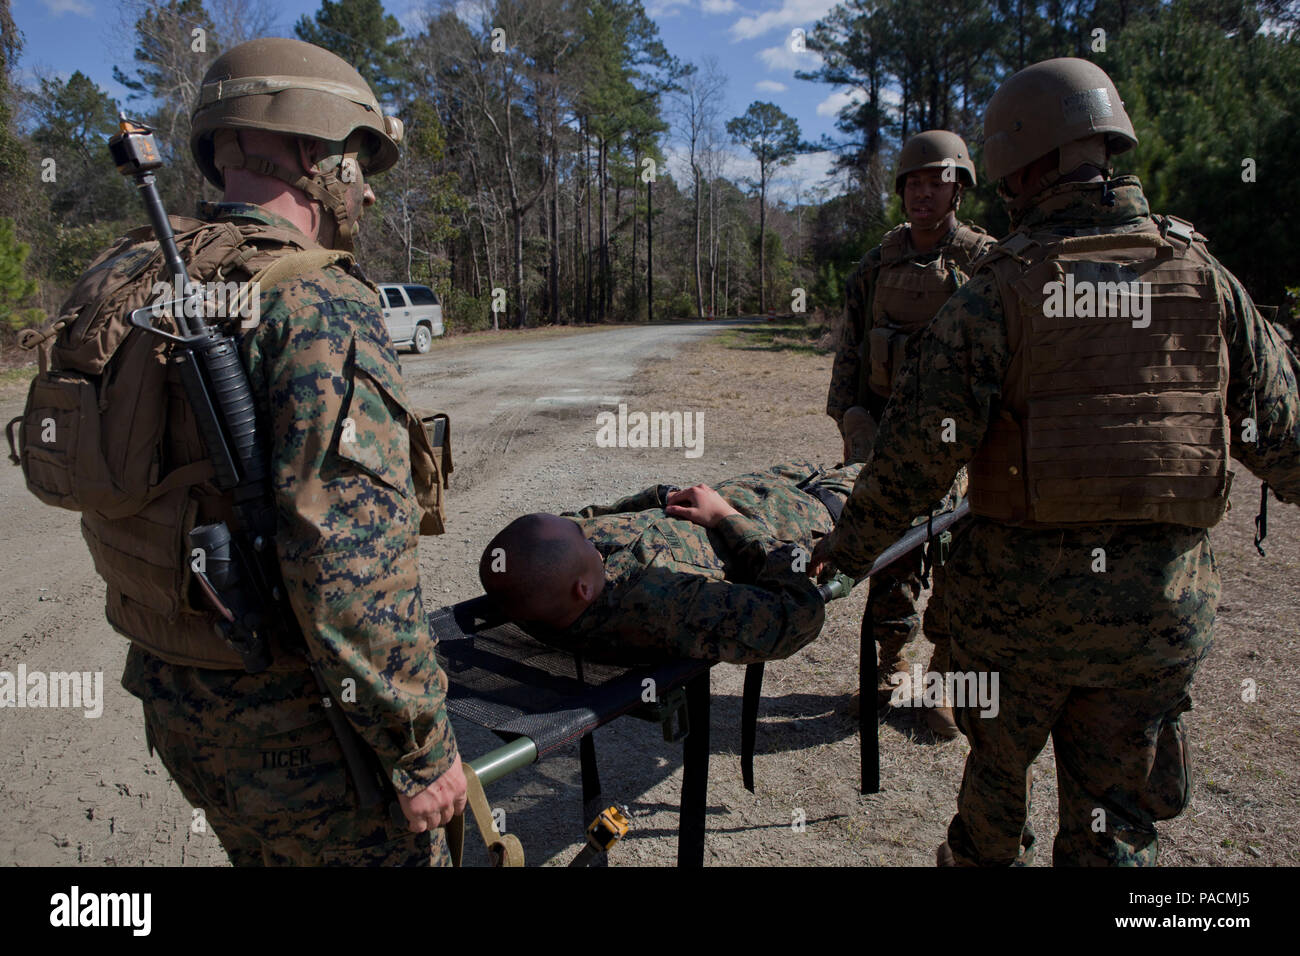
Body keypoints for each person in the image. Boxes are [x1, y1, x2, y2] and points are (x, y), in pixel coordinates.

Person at [812, 57, 1300, 866]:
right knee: (1116, 828)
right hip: (1154, 626)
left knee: (994, 802)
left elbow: (913, 463)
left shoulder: (994, 290)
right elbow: (1285, 444)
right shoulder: (1207, 279)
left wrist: (844, 556)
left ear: (1014, 162)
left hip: (1014, 626)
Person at [81, 38, 464, 864]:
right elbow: (347, 569)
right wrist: (421, 749)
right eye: (358, 158)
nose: (363, 188)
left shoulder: (133, 279)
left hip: (182, 702)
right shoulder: (314, 297)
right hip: (304, 737)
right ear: (309, 148)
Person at [826, 130, 995, 737]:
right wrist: (850, 417)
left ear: (958, 187)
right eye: (914, 182)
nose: (924, 193)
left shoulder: (984, 263)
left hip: (966, 448)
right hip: (891, 444)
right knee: (888, 562)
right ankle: (887, 667)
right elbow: (851, 350)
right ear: (901, 190)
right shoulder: (878, 263)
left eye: (937, 181)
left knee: (961, 569)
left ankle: (946, 681)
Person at [479, 461, 862, 666]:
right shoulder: (662, 606)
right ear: (584, 590)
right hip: (810, 514)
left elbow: (574, 521)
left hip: (762, 487)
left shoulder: (553, 575)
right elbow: (795, 618)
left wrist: (660, 496)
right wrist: (725, 518)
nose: (589, 532)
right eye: (587, 542)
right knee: (888, 472)